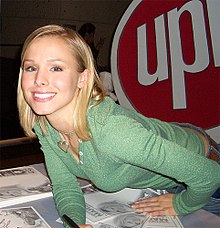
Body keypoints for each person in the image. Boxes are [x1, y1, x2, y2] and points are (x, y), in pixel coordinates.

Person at [17, 24, 220, 227]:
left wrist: (182, 204)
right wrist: (75, 222)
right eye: (31, 68)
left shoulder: (113, 132)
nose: (39, 79)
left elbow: (210, 176)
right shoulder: (46, 127)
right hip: (166, 179)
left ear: (82, 78)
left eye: (56, 68)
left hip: (204, 169)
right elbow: (64, 185)